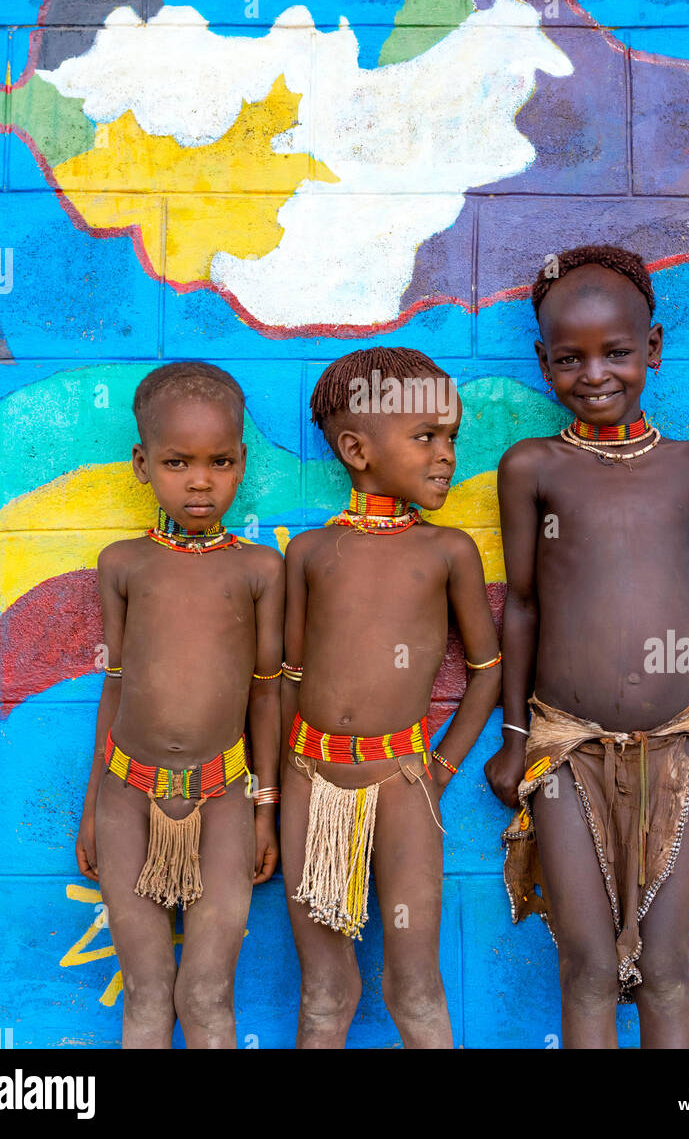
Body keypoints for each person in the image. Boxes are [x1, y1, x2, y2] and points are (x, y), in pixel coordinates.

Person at [485, 244, 689, 1049]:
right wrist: (515, 739)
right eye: (569, 358)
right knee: (590, 967)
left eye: (617, 353)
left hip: (674, 744)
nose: (594, 373)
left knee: (665, 970)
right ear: (542, 363)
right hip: (564, 747)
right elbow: (522, 607)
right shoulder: (533, 467)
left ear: (654, 350)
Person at [281, 346, 501, 1048]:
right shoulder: (309, 553)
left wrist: (438, 770)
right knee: (324, 989)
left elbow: (487, 669)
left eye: (452, 438)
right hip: (307, 783)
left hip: (404, 782)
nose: (446, 455)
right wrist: (271, 791)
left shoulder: (447, 552)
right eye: (426, 437)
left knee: (415, 985)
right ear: (356, 449)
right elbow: (283, 676)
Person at [75, 361, 284, 1048]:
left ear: (241, 463)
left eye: (219, 462)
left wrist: (264, 812)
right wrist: (89, 810)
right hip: (125, 797)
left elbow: (264, 695)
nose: (199, 481)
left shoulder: (259, 570)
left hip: (223, 796)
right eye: (176, 462)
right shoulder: (122, 564)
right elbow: (116, 684)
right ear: (142, 464)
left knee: (205, 996)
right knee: (145, 994)